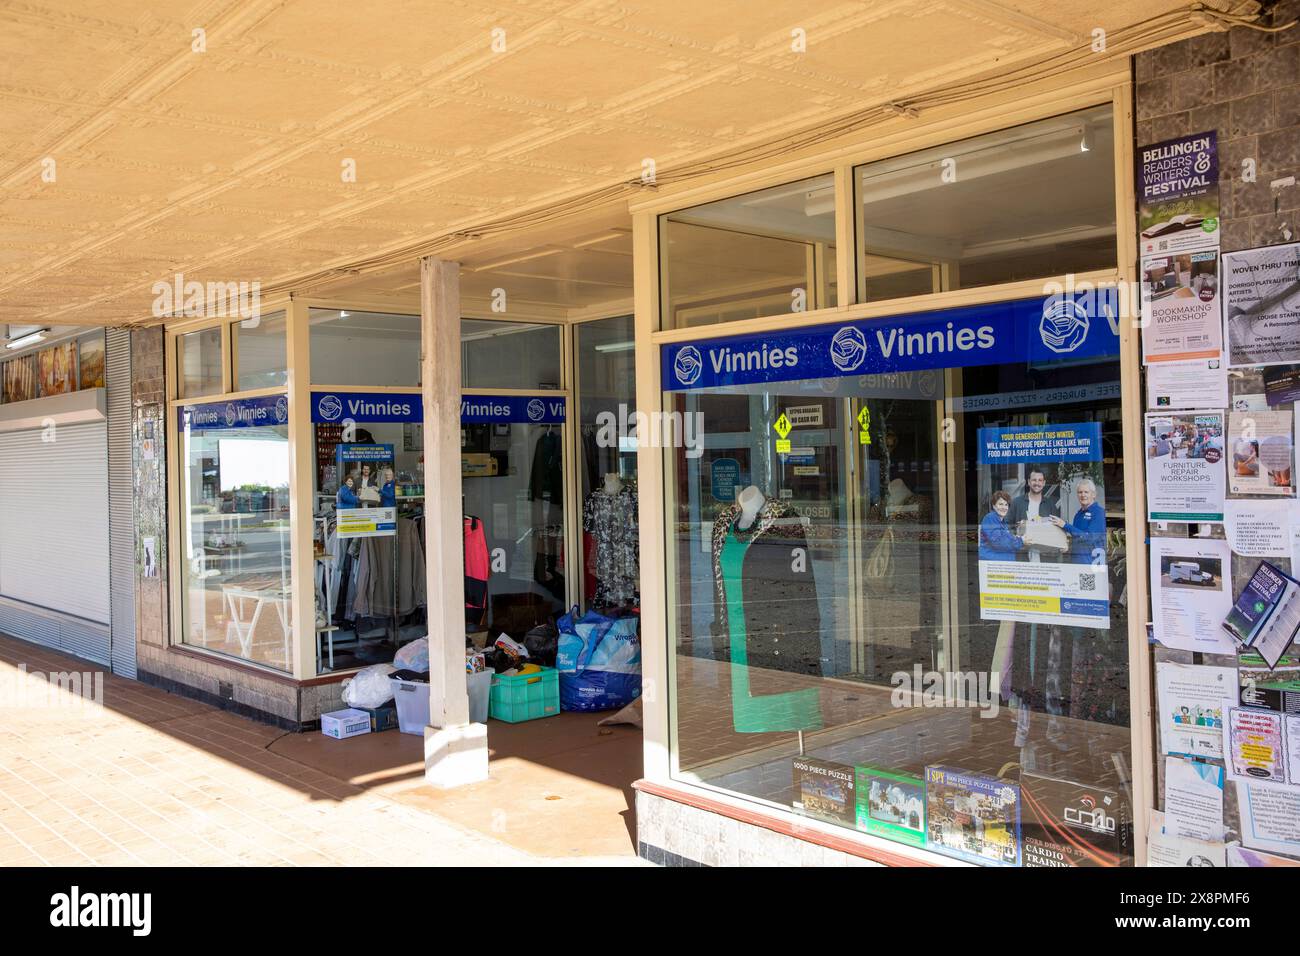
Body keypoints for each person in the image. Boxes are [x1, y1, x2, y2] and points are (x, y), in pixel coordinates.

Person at [1049, 477, 1106, 565]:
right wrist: (1066, 545)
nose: (1083, 495)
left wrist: (1065, 525)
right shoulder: (1078, 514)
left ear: (1094, 494)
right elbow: (1078, 538)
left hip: (1091, 565)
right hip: (1077, 564)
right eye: (1080, 492)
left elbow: (1090, 538)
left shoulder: (1099, 513)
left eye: (1086, 492)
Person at [979, 491, 1024, 561]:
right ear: (994, 506)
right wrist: (1021, 540)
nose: (1004, 507)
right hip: (993, 564)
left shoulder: (1003, 523)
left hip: (1002, 564)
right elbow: (999, 543)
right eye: (1001, 504)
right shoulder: (990, 518)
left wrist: (1018, 537)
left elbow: (1008, 541)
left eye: (1006, 505)